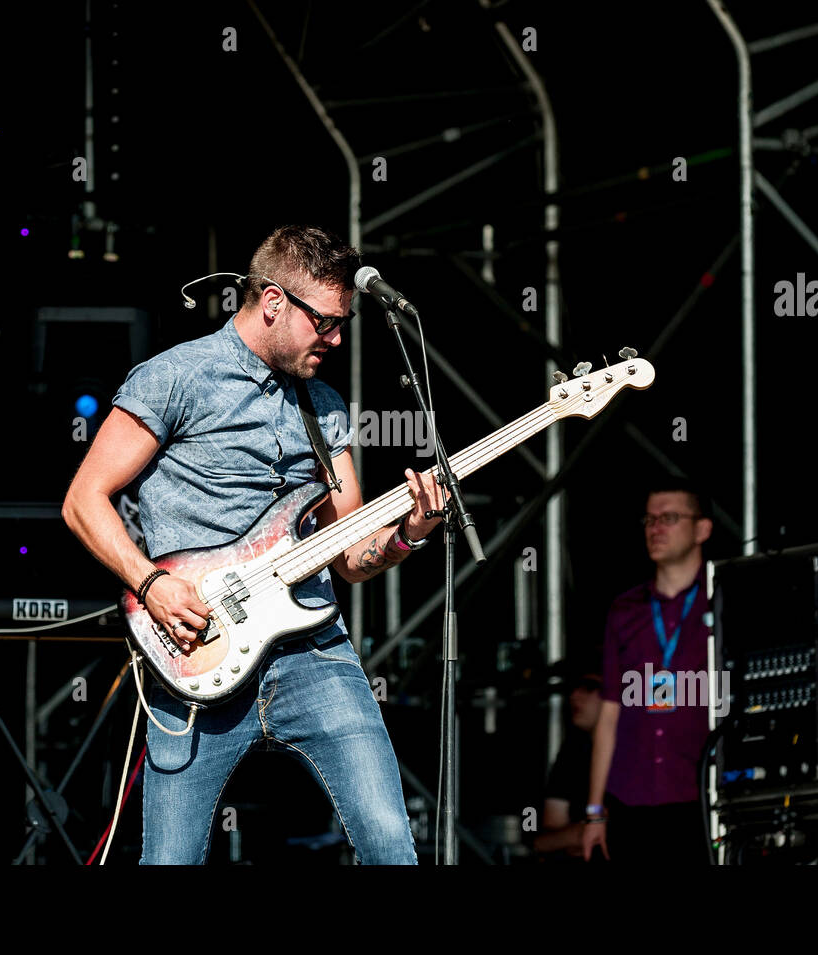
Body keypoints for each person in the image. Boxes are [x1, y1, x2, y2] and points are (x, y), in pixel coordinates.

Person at [62, 225, 445, 864]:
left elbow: (351, 558)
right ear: (273, 303)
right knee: (170, 860)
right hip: (197, 651)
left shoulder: (324, 407)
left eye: (343, 322)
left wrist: (407, 535)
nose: (337, 339)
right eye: (324, 322)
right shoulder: (175, 377)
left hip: (314, 652)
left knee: (389, 844)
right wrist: (151, 583)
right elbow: (83, 501)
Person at [582, 480, 714, 864]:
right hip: (631, 799)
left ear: (702, 528)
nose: (655, 528)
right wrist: (594, 811)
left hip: (701, 796)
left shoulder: (722, 598)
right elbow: (609, 713)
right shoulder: (625, 609)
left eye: (669, 518)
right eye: (650, 519)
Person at [533, 663, 604, 862]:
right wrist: (575, 835)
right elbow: (542, 839)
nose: (574, 695)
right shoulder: (573, 750)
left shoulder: (642, 755)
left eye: (589, 687)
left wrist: (579, 834)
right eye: (574, 687)